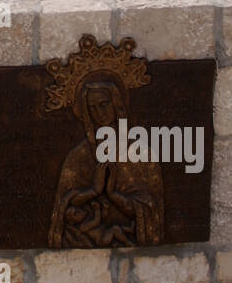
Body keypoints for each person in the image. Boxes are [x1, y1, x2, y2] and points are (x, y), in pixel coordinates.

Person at [48, 73, 164, 247]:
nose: (99, 113)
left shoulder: (141, 153)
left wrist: (114, 196)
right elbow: (63, 206)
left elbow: (151, 207)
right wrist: (93, 192)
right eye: (91, 108)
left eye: (104, 104)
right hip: (84, 237)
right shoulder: (78, 156)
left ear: (116, 103)